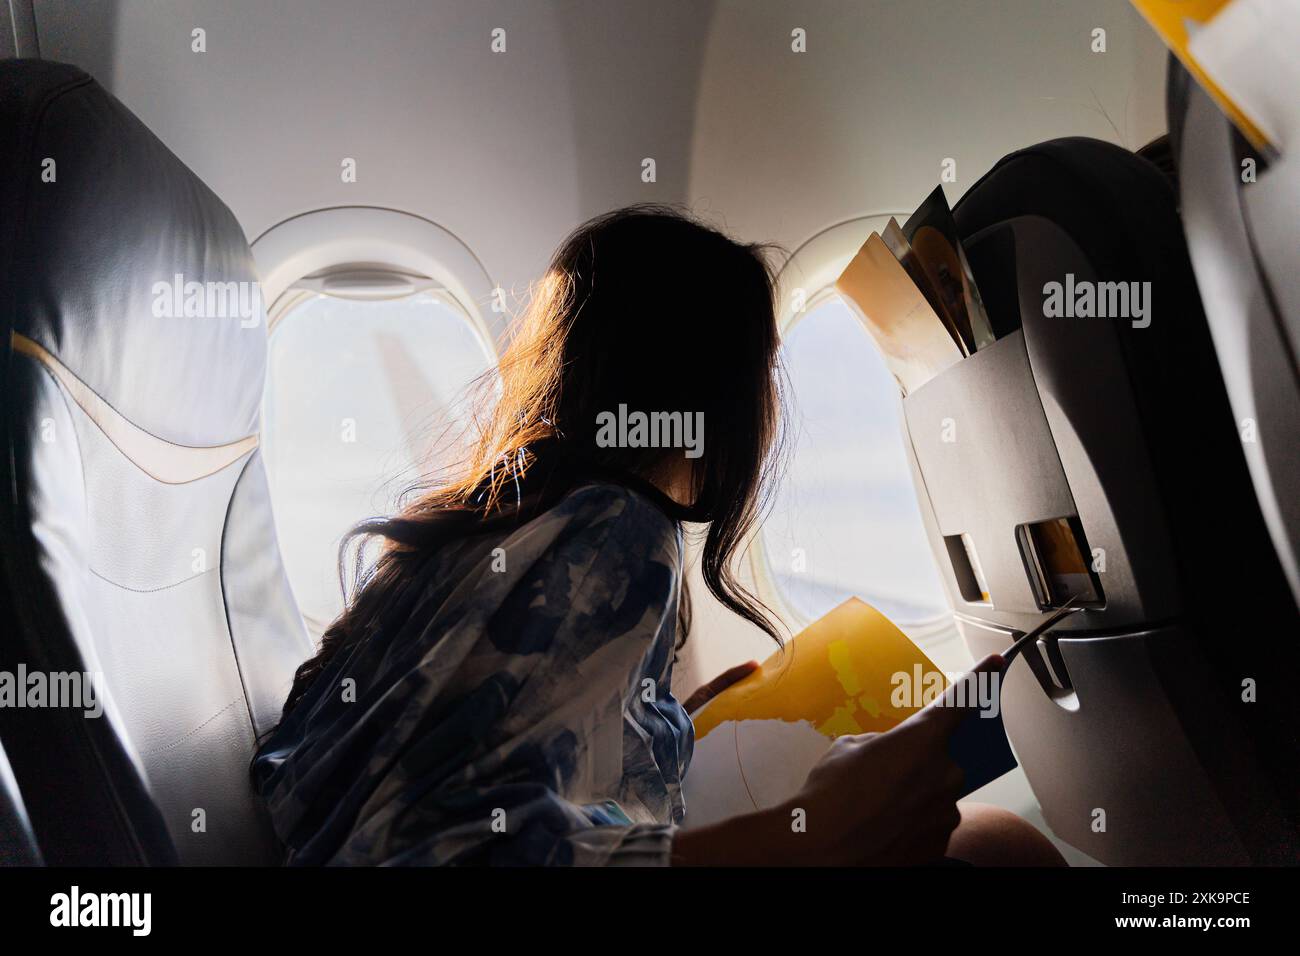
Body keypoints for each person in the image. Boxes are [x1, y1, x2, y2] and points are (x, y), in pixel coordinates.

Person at [252, 204, 1063, 867]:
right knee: (1000, 849)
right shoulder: (617, 531)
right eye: (764, 368)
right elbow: (439, 849)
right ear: (721, 392)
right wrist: (819, 832)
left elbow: (330, 765)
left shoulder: (471, 531)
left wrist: (651, 733)